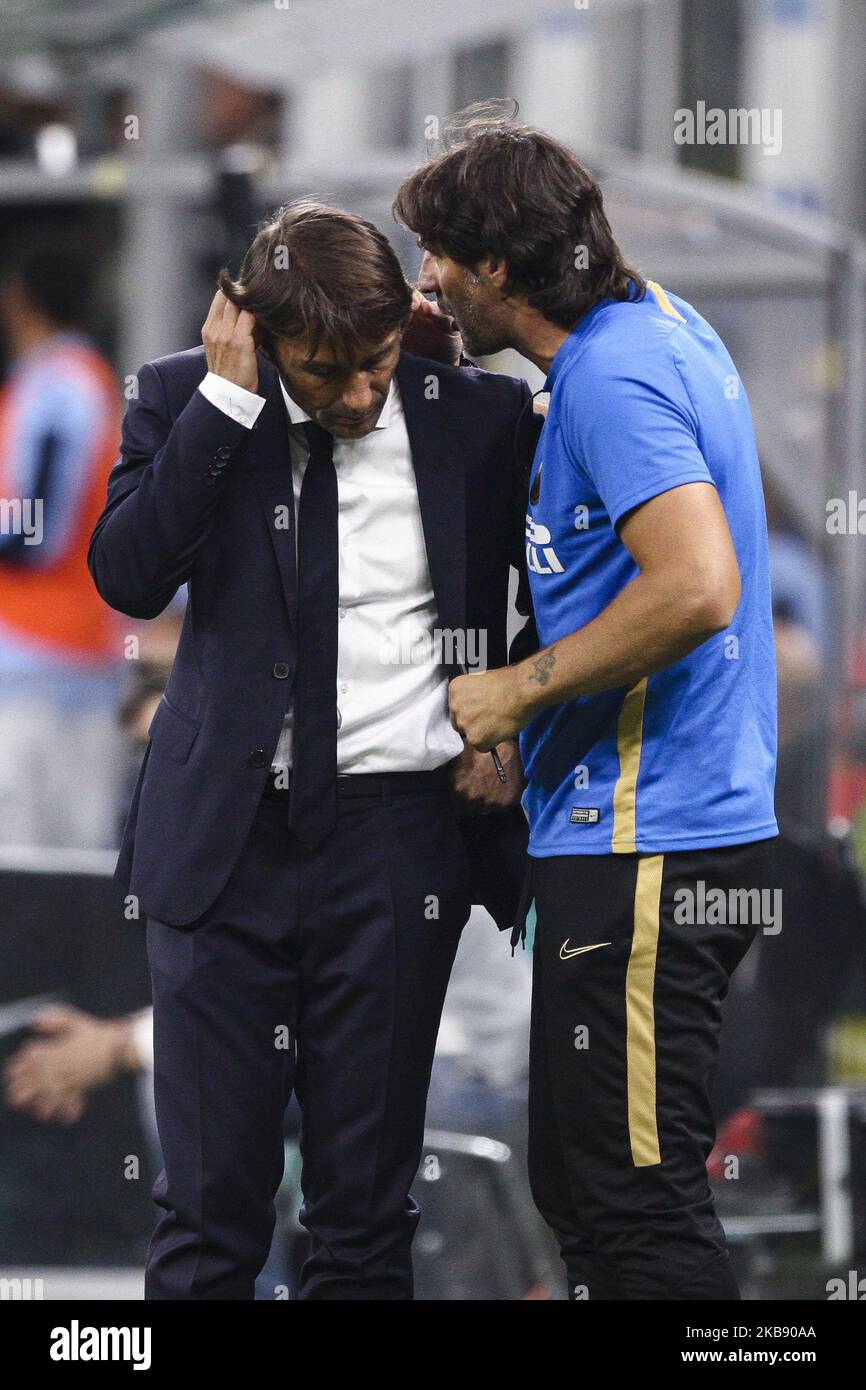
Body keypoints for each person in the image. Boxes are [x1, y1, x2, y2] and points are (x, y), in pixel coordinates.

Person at [88, 200, 537, 1300]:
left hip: (396, 845)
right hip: (222, 851)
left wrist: (514, 708)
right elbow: (127, 576)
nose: (355, 394)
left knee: (363, 1218)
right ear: (255, 336)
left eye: (374, 363)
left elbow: (584, 580)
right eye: (321, 372)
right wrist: (228, 400)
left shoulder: (475, 415)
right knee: (207, 1215)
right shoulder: (181, 400)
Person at [395, 118, 778, 1300]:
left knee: (632, 1197)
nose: (426, 280)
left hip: (649, 842)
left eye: (438, 257)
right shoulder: (641, 331)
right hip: (628, 841)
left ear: (496, 268)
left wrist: (513, 689)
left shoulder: (610, 376)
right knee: (583, 1189)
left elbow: (695, 584)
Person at [0, 228, 123, 848]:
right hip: (77, 656)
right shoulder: (86, 380)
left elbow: (37, 532)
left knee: (29, 875)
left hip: (34, 664)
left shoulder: (57, 385)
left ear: (20, 299)